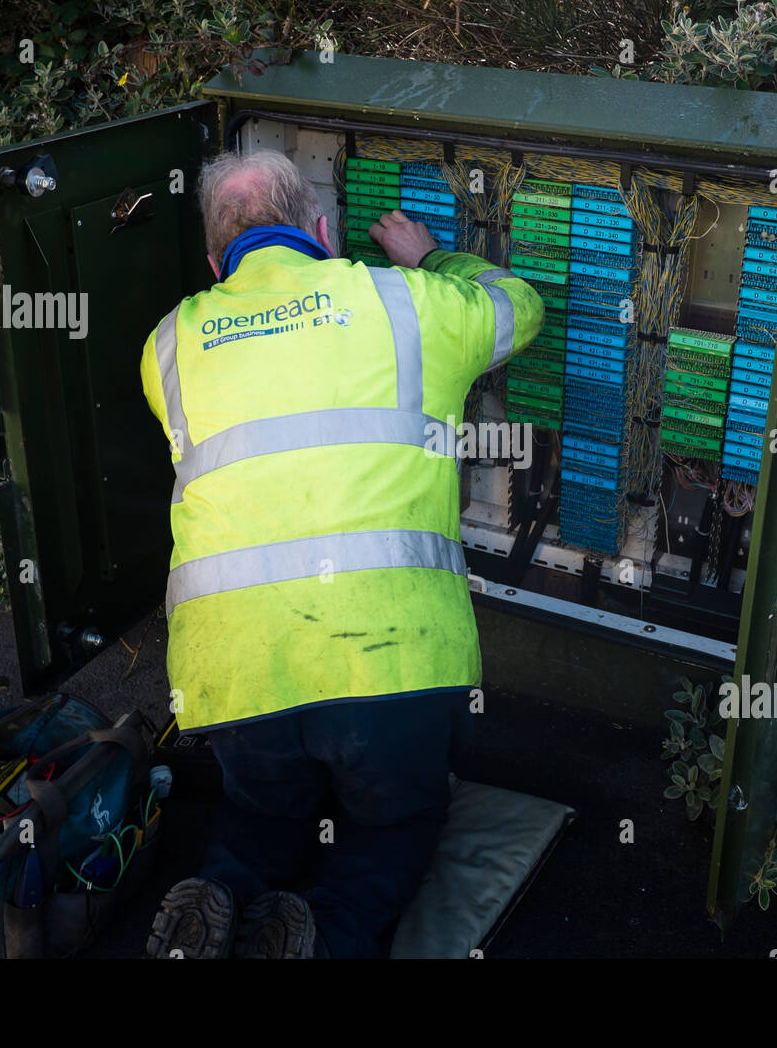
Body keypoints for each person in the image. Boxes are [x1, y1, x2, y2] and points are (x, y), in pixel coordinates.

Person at [139, 149, 543, 958]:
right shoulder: (409, 305)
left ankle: (220, 890)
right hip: (392, 671)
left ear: (214, 261)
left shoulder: (168, 346)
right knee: (396, 821)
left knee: (265, 810)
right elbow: (518, 306)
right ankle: (326, 933)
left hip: (232, 683)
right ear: (324, 231)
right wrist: (430, 258)